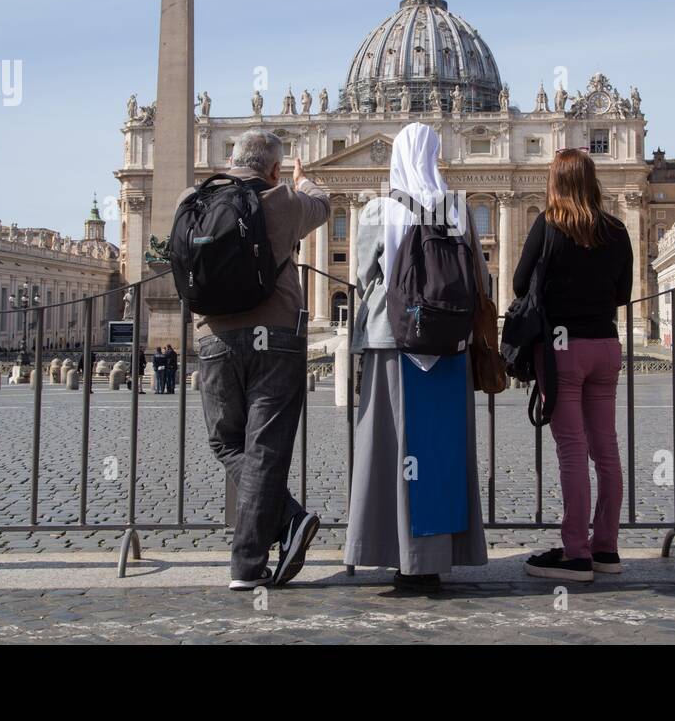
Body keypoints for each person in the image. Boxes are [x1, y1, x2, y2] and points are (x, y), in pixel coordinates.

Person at [345, 122, 487, 592]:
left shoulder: (377, 209)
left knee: (394, 451)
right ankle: (436, 559)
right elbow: (480, 282)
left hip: (395, 345)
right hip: (450, 349)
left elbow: (365, 279)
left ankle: (401, 557)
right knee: (442, 453)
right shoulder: (459, 208)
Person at [185, 129, 328, 590]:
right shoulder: (283, 201)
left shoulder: (193, 199)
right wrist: (301, 181)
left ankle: (272, 542)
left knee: (226, 443)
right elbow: (323, 204)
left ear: (229, 160)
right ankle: (266, 545)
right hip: (277, 335)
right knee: (265, 447)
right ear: (274, 170)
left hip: (214, 336)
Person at [515, 149, 632, 582]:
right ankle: (607, 548)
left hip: (563, 347)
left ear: (556, 183)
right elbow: (622, 291)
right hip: (606, 345)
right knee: (606, 449)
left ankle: (576, 553)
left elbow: (519, 282)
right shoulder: (617, 229)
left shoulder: (549, 224)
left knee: (571, 451)